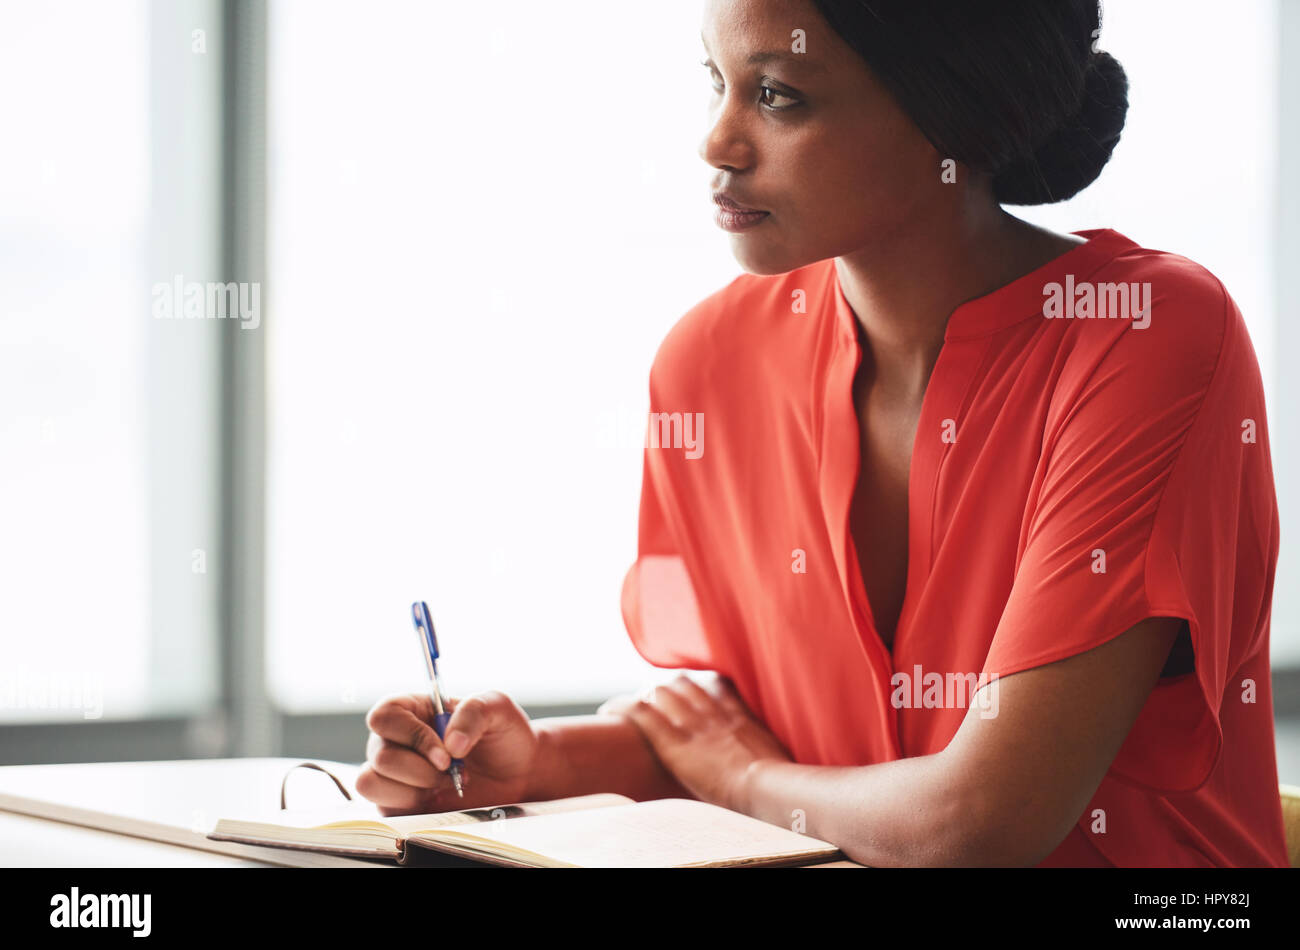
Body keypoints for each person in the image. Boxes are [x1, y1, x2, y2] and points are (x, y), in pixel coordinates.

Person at [357, 0, 1290, 866]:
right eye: (715, 84)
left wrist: (744, 779)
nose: (717, 142)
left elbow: (982, 821)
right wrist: (523, 766)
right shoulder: (707, 359)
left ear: (949, 115)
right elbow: (719, 730)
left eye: (777, 96)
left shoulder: (1144, 332)